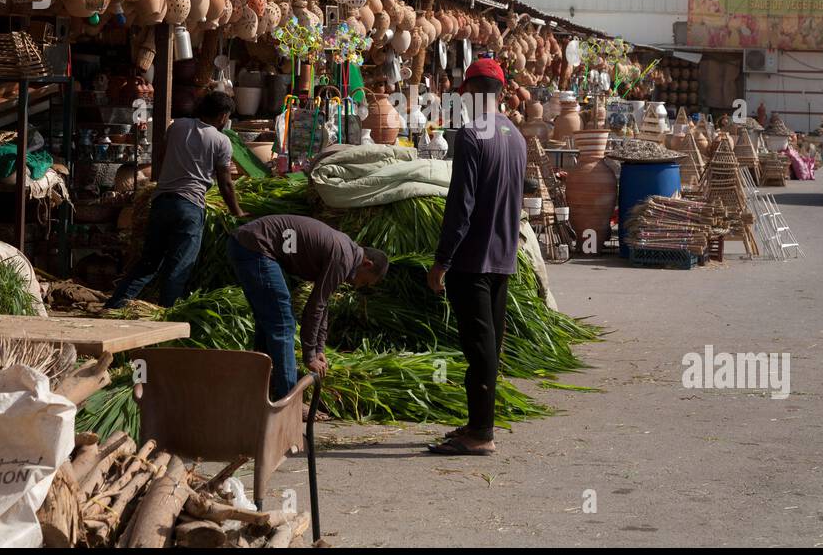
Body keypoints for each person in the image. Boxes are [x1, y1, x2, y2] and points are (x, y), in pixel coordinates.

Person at [427, 57, 527, 455]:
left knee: (479, 348)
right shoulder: (515, 136)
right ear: (501, 93)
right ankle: (477, 424)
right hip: (503, 259)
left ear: (468, 93)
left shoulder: (470, 134)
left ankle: (481, 434)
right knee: (489, 346)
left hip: (472, 263)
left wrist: (441, 262)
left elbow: (460, 207)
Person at [107, 90, 244, 309]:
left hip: (162, 202)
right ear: (222, 116)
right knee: (179, 268)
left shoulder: (177, 126)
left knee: (148, 263)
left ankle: (113, 307)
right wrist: (237, 212)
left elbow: (162, 157)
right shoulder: (221, 141)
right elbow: (226, 183)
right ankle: (167, 318)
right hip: (190, 207)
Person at [227, 214, 389, 399]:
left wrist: (319, 348)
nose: (359, 286)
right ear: (367, 264)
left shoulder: (346, 251)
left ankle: (260, 394)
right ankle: (289, 400)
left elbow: (323, 303)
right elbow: (314, 307)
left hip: (245, 244)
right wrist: (309, 356)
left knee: (269, 324)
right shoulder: (344, 258)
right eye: (365, 282)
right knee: (283, 324)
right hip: (255, 247)